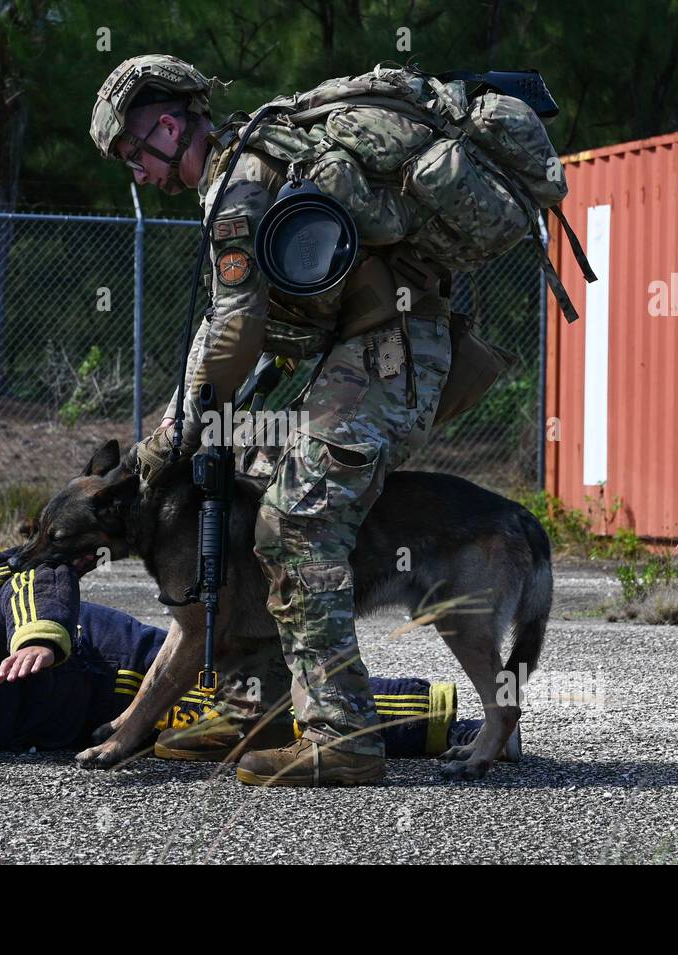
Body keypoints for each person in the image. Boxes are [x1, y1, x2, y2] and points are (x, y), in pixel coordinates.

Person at [90, 55, 454, 785]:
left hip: (384, 358)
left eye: (135, 150)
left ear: (168, 124)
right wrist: (183, 424)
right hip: (346, 355)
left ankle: (342, 735)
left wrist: (171, 437)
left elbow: (234, 330)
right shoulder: (238, 173)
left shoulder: (238, 185)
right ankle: (250, 702)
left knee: (295, 525)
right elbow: (222, 329)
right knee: (241, 495)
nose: (137, 170)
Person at [0, 550, 493, 761]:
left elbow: (16, 577)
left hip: (106, 674)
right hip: (66, 723)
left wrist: (38, 633)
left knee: (253, 711)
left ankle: (444, 721)